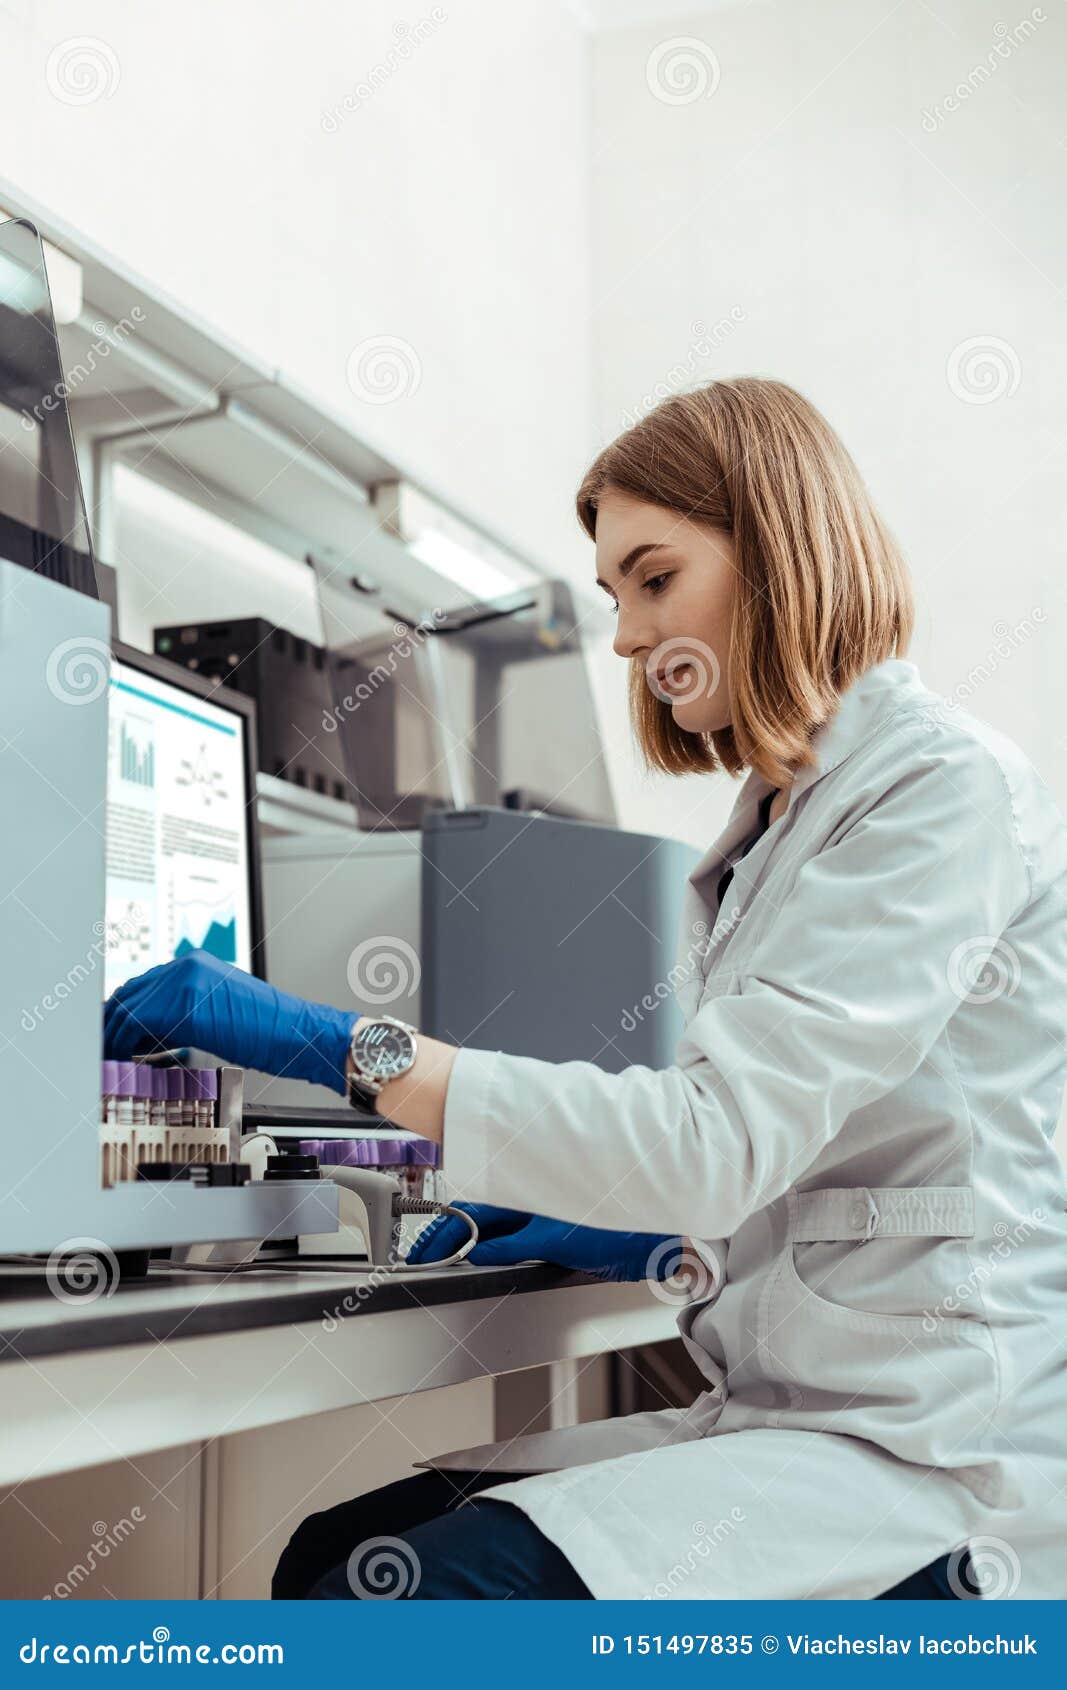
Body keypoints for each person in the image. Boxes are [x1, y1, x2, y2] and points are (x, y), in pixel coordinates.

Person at [105, 377, 1067, 1601]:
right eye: (615, 596)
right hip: (798, 1418)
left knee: (392, 1597)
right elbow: (798, 1150)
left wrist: (333, 1044)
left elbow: (716, 1139)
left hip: (926, 1458)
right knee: (331, 1559)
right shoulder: (785, 818)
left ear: (777, 552)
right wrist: (640, 1228)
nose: (622, 636)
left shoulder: (937, 792)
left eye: (653, 579)